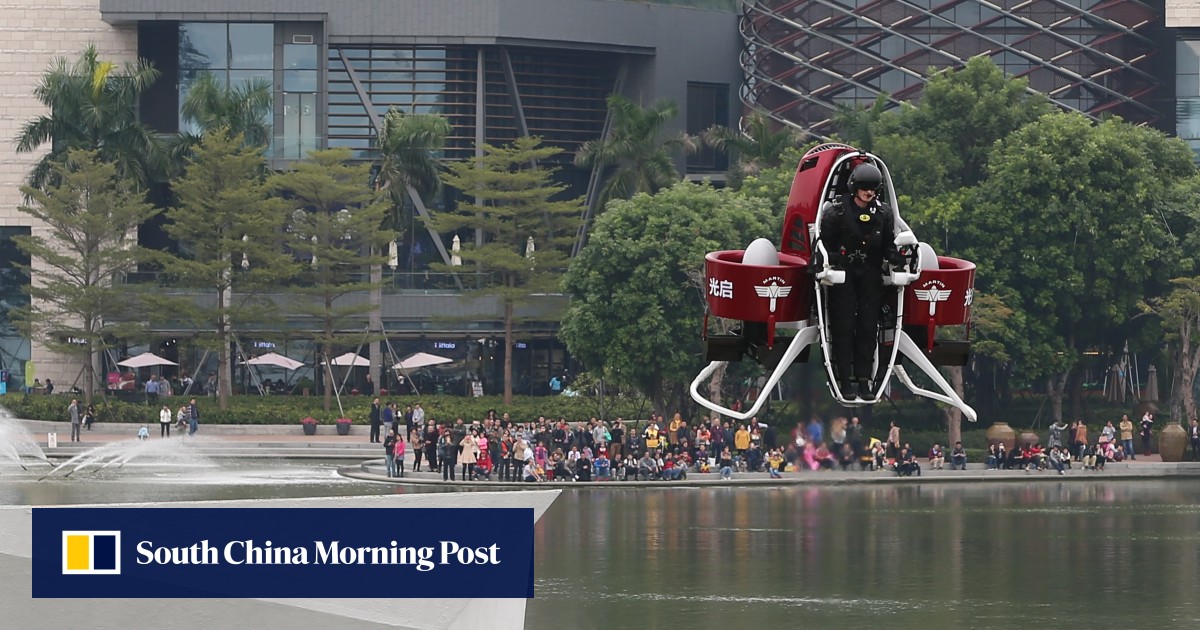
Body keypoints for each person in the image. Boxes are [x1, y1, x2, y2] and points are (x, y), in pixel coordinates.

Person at [818, 161, 904, 399]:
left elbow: (888, 245)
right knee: (843, 326)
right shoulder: (835, 211)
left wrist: (897, 258)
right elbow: (824, 244)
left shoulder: (884, 213)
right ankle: (845, 380)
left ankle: (864, 380)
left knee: (868, 327)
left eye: (873, 188)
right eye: (865, 188)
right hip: (843, 274)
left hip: (870, 274)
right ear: (854, 187)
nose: (869, 192)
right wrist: (831, 260)